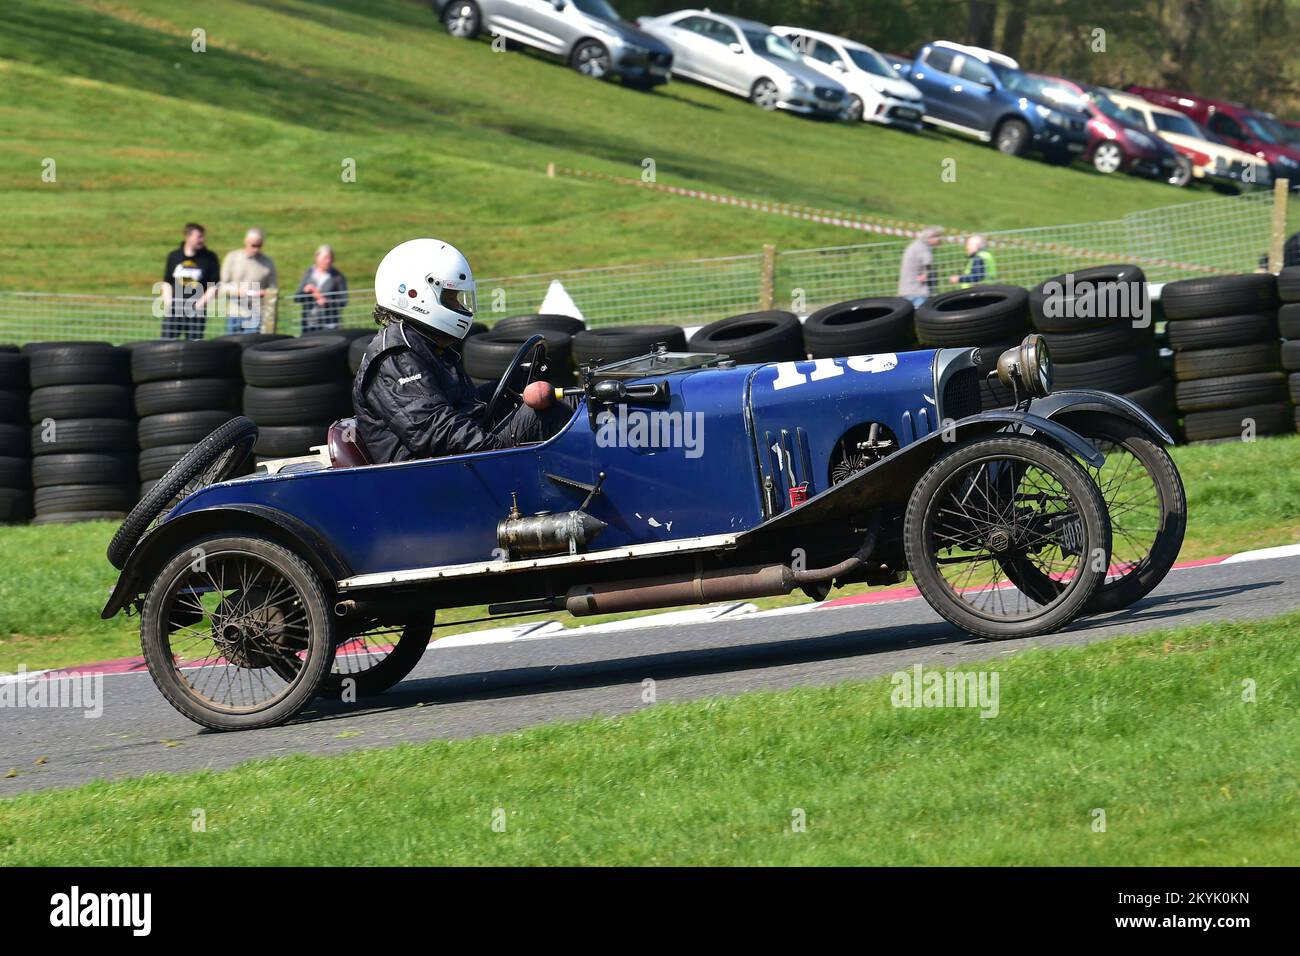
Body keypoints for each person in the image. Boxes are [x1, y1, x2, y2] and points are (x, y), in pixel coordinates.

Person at [353, 238, 573, 464]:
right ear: (414, 294)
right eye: (451, 298)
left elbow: (463, 405)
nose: (460, 307)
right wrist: (502, 452)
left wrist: (512, 385)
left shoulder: (429, 347)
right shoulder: (395, 357)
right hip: (427, 477)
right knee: (546, 416)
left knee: (573, 401)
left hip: (456, 464)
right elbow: (435, 431)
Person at [160, 223, 220, 339]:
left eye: (203, 236)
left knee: (194, 344)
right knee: (167, 341)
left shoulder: (210, 258)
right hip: (175, 309)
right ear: (188, 237)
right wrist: (169, 303)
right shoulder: (174, 256)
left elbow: (213, 285)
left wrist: (199, 305)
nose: (202, 240)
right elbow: (167, 282)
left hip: (197, 309)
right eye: (199, 237)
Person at [220, 228, 277, 334]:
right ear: (245, 241)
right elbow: (223, 286)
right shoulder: (232, 258)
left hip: (255, 313)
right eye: (253, 245)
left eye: (259, 246)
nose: (256, 249)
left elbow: (273, 290)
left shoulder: (268, 263)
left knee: (250, 346)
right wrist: (239, 292)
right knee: (232, 345)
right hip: (235, 311)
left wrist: (264, 293)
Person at [294, 245, 348, 333]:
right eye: (325, 258)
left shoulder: (337, 277)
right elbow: (297, 298)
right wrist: (305, 291)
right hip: (309, 323)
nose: (328, 261)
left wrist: (327, 302)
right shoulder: (308, 274)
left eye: (330, 258)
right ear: (317, 258)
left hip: (330, 324)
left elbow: (343, 301)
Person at [897, 226, 942, 307]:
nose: (940, 239)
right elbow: (929, 264)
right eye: (938, 236)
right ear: (931, 237)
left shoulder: (916, 245)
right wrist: (927, 274)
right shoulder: (923, 248)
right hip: (918, 291)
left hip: (906, 289)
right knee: (922, 315)